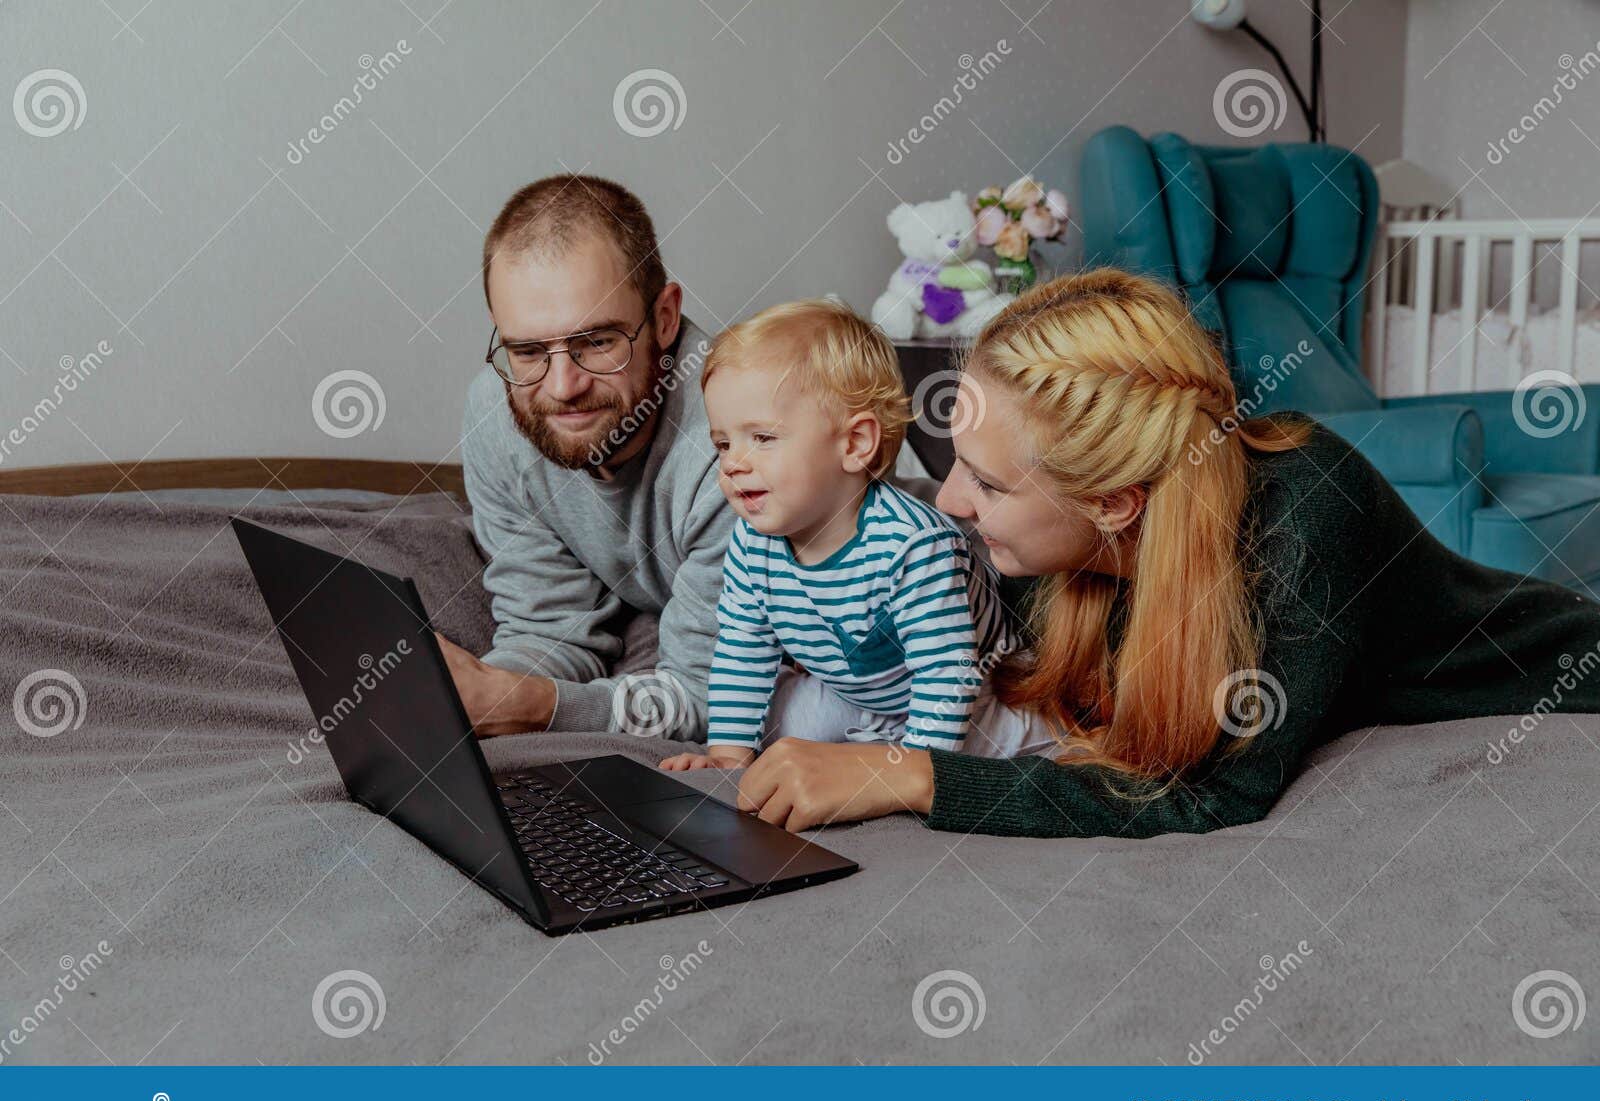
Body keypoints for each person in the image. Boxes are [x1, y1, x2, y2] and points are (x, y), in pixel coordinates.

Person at [724, 268, 1600, 836]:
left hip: (1561, 665)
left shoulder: (1307, 513)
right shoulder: (1043, 557)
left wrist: (910, 776)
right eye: (956, 468)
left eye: (988, 487)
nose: (949, 502)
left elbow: (1216, 792)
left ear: (1113, 502)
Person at [655, 299, 1057, 774]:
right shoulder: (750, 543)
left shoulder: (913, 545)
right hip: (859, 693)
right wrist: (727, 753)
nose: (733, 462)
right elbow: (742, 649)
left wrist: (906, 772)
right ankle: (872, 740)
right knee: (778, 714)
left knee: (1013, 740)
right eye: (723, 442)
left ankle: (1037, 738)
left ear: (854, 444)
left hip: (974, 692)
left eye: (762, 438)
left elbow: (948, 676)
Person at [434, 173, 733, 741]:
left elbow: (714, 697)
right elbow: (550, 626)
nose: (564, 387)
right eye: (527, 351)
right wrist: (485, 694)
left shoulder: (739, 440)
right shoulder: (497, 412)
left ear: (665, 319)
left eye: (597, 342)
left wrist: (539, 708)